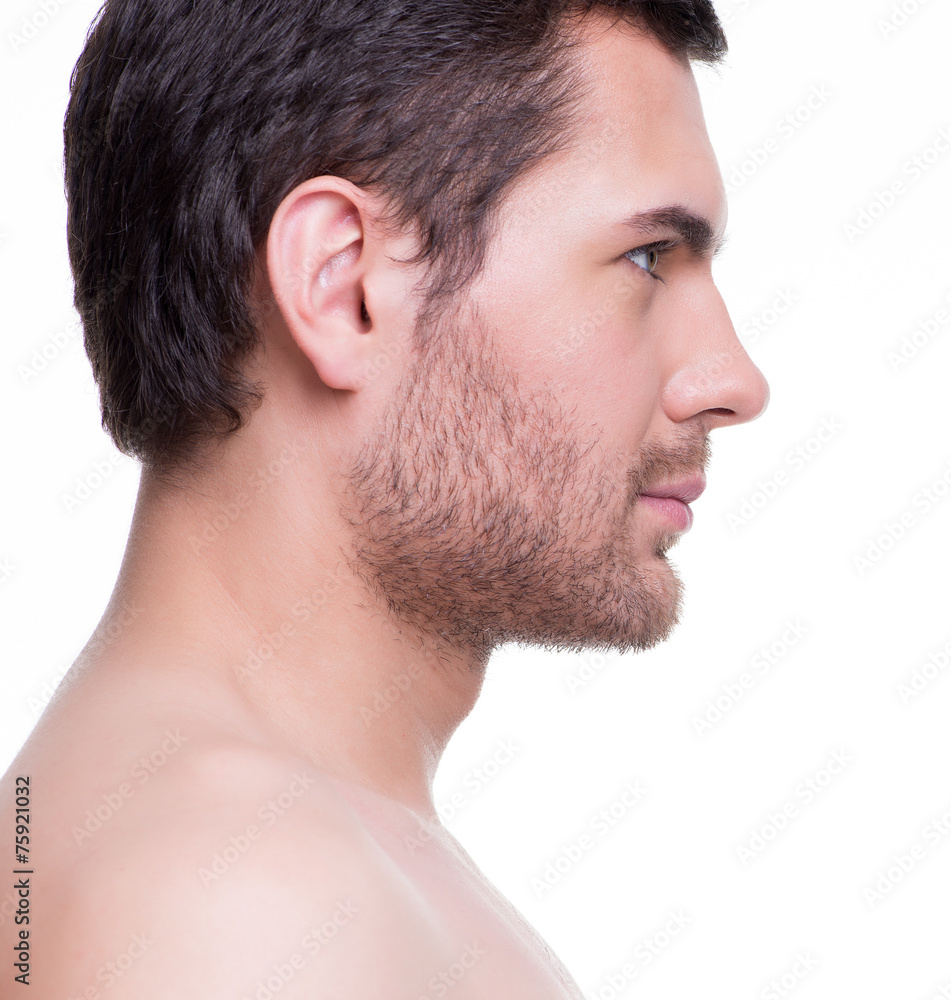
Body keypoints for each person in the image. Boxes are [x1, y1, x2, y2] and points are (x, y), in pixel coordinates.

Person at [1, 0, 768, 995]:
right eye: (647, 256)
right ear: (342, 284)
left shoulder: (252, 844)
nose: (733, 381)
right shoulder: (237, 896)